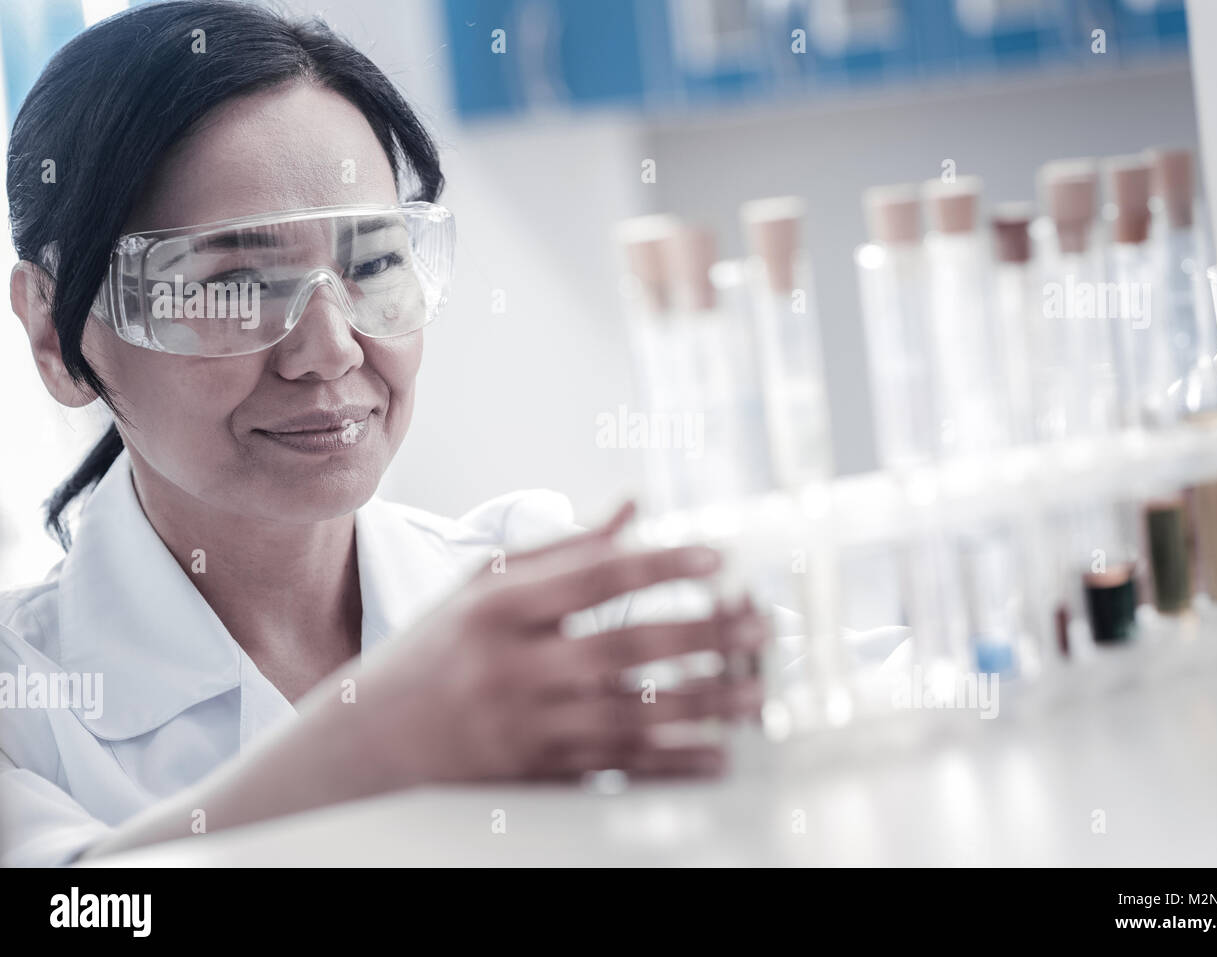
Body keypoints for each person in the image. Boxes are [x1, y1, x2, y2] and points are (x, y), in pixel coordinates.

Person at [0, 0, 768, 867]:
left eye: (371, 264)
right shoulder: (21, 705)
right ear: (57, 336)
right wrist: (368, 746)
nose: (329, 351)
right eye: (236, 281)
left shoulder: (535, 583)